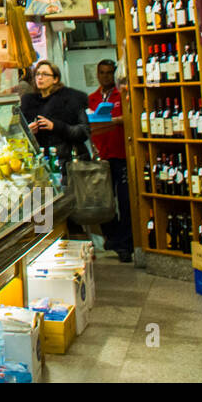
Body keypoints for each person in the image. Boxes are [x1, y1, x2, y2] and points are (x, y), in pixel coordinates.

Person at [89, 59, 132, 262]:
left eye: (108, 73)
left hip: (121, 155)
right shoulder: (92, 98)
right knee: (103, 202)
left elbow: (129, 118)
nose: (105, 76)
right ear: (97, 75)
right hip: (101, 158)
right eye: (102, 72)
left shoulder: (121, 95)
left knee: (125, 201)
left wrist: (114, 121)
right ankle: (113, 238)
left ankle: (125, 243)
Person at [21, 60, 91, 160]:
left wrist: (56, 126)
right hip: (43, 160)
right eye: (37, 74)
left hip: (69, 161)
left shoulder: (71, 99)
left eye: (45, 74)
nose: (40, 78)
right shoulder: (29, 102)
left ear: (55, 79)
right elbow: (18, 135)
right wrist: (29, 131)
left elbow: (84, 132)